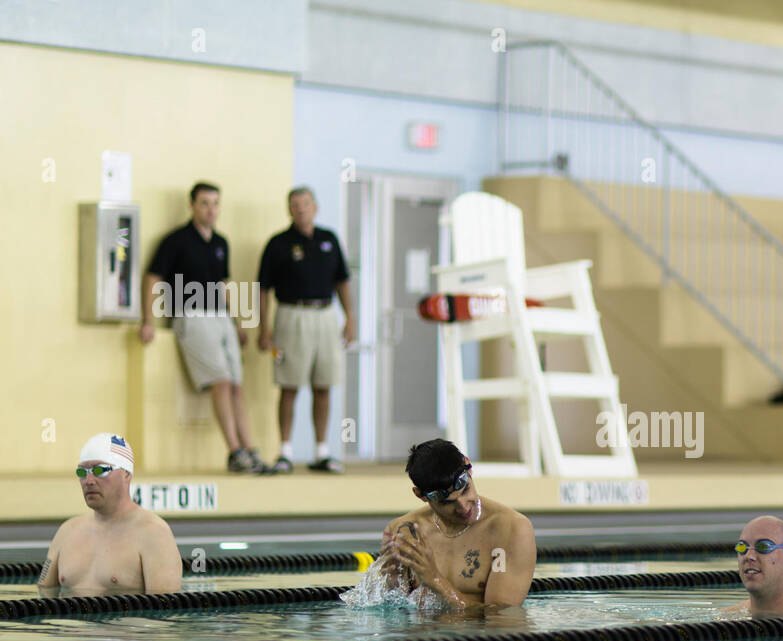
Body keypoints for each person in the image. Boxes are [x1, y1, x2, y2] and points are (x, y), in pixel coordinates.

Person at [140, 182, 270, 474]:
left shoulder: (221, 243)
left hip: (220, 318)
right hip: (192, 315)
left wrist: (236, 321)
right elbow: (152, 277)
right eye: (204, 203)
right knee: (221, 381)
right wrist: (147, 320)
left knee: (236, 385)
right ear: (192, 205)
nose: (210, 210)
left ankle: (251, 450)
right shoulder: (175, 240)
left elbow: (223, 284)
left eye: (215, 204)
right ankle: (235, 452)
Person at [256, 186, 357, 474]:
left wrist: (350, 317)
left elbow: (342, 281)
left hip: (325, 315)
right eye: (295, 204)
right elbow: (262, 289)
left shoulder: (329, 239)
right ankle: (285, 450)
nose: (301, 208)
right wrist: (264, 328)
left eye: (305, 203)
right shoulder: (278, 244)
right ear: (289, 209)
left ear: (315, 206)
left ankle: (322, 451)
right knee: (289, 384)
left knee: (323, 384)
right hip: (290, 316)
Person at [381, 439, 536, 609]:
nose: (463, 506)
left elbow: (500, 618)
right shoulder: (404, 532)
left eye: (465, 490)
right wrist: (392, 582)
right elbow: (394, 611)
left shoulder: (511, 530)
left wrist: (435, 580)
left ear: (469, 466)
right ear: (420, 495)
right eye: (448, 503)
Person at [37, 434, 182, 595]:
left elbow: (164, 613)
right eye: (82, 472)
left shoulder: (154, 533)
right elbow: (43, 593)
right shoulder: (67, 531)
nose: (89, 480)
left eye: (100, 470)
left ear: (126, 473)